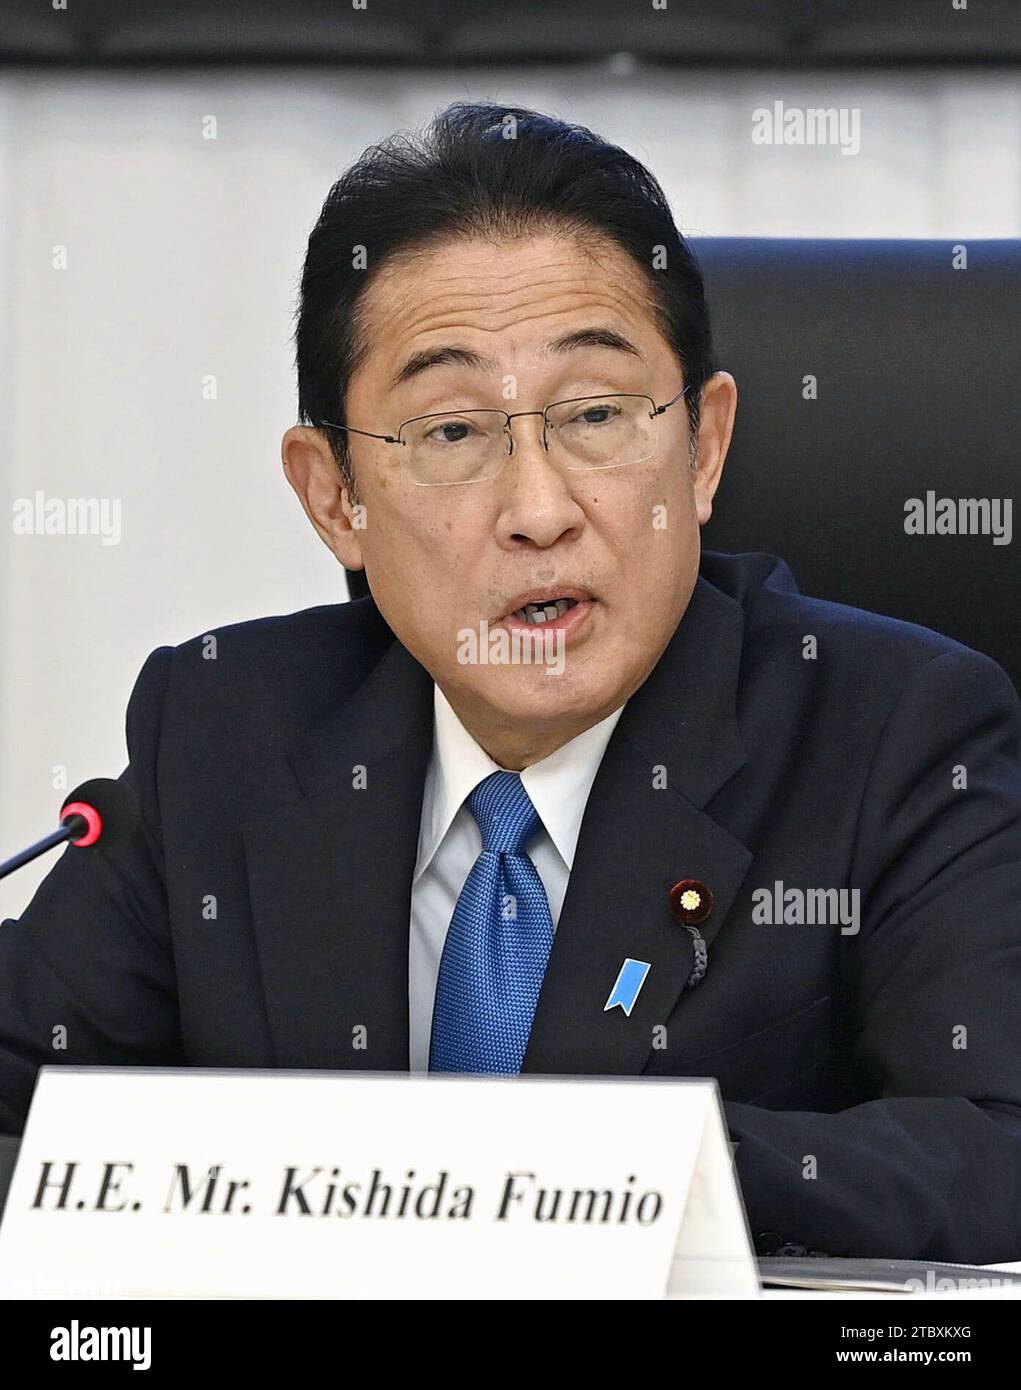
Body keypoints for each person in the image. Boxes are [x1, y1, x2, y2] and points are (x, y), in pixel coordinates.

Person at [2, 102, 1020, 1264]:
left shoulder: (896, 733)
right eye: (449, 433)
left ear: (704, 449)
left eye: (594, 415)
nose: (539, 510)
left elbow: (993, 1142)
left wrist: (593, 1181)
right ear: (335, 494)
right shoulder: (225, 731)